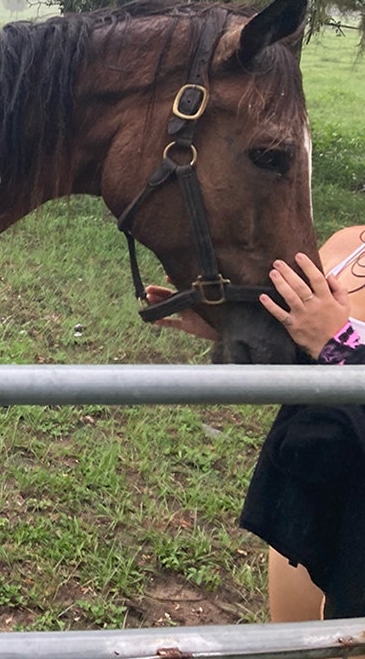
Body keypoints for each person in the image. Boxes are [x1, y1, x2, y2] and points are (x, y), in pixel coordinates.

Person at [150, 226, 365, 622]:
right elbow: (311, 348)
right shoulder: (345, 244)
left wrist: (338, 343)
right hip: (311, 496)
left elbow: (331, 344)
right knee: (298, 648)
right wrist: (233, 324)